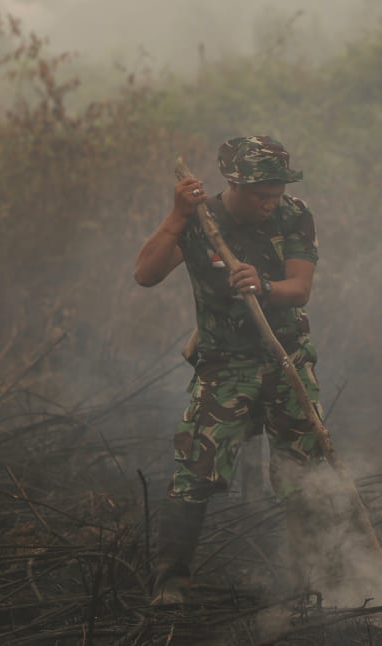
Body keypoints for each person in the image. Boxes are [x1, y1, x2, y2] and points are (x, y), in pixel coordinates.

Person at [133, 135, 325, 605]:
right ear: (234, 185)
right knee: (194, 472)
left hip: (286, 359)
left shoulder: (294, 214)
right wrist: (177, 216)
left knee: (305, 474)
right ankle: (170, 587)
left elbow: (300, 289)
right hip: (226, 365)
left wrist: (264, 286)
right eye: (261, 195)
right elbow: (145, 274)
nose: (270, 203)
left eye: (276, 193)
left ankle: (310, 588)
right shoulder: (200, 219)